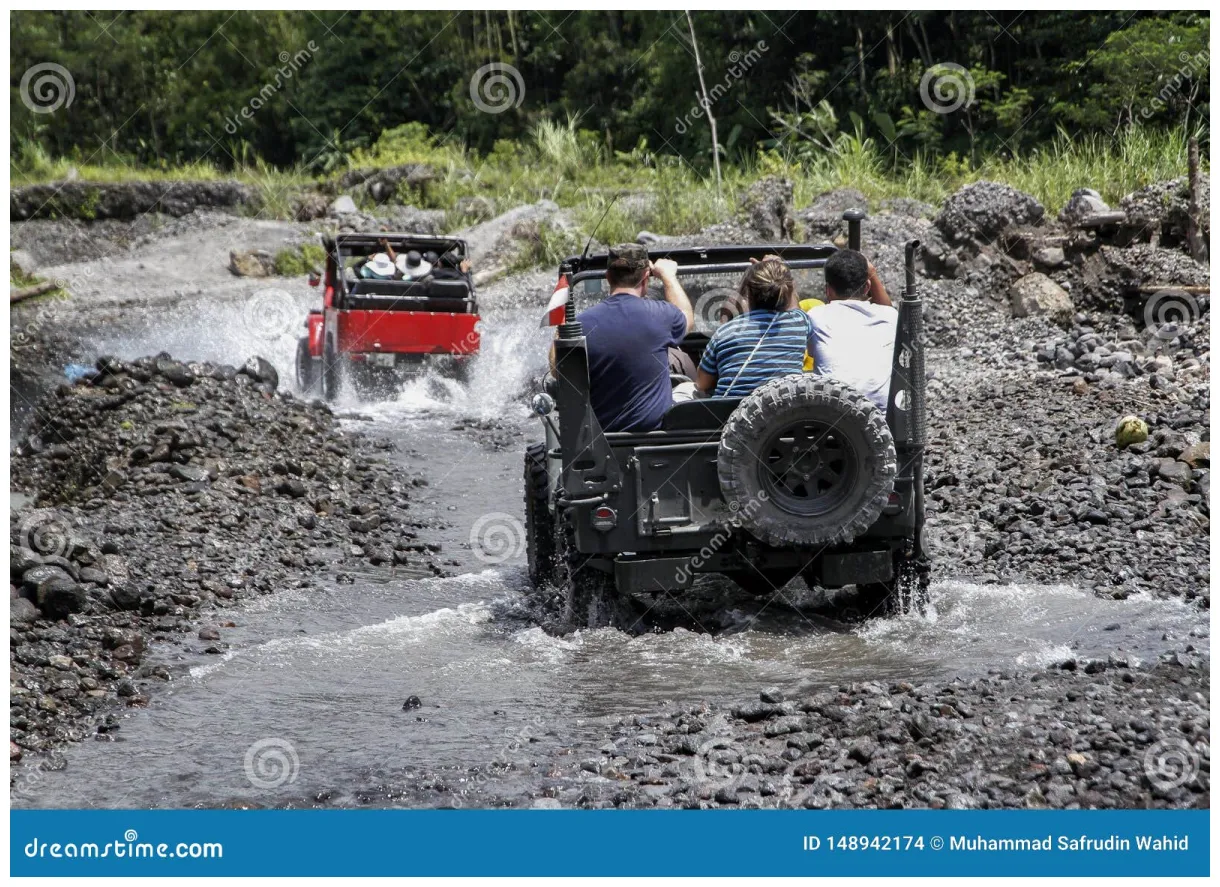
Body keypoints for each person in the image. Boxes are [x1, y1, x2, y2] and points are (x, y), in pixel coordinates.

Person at [554, 243, 694, 432]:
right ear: (646, 278)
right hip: (658, 437)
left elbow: (557, 368)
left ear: (608, 277)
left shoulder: (582, 324)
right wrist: (668, 276)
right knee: (691, 390)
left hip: (602, 440)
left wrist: (561, 329)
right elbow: (686, 317)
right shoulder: (662, 315)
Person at [695, 257, 811, 398]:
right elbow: (793, 305)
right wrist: (779, 275)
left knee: (686, 390)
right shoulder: (799, 322)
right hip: (784, 412)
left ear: (748, 294)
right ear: (789, 289)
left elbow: (702, 384)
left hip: (730, 417)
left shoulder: (725, 332)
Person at [806, 248, 896, 410]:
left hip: (831, 419)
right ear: (867, 286)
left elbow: (810, 353)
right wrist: (872, 272)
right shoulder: (890, 316)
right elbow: (888, 307)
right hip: (882, 421)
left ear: (827, 290)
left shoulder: (816, 316)